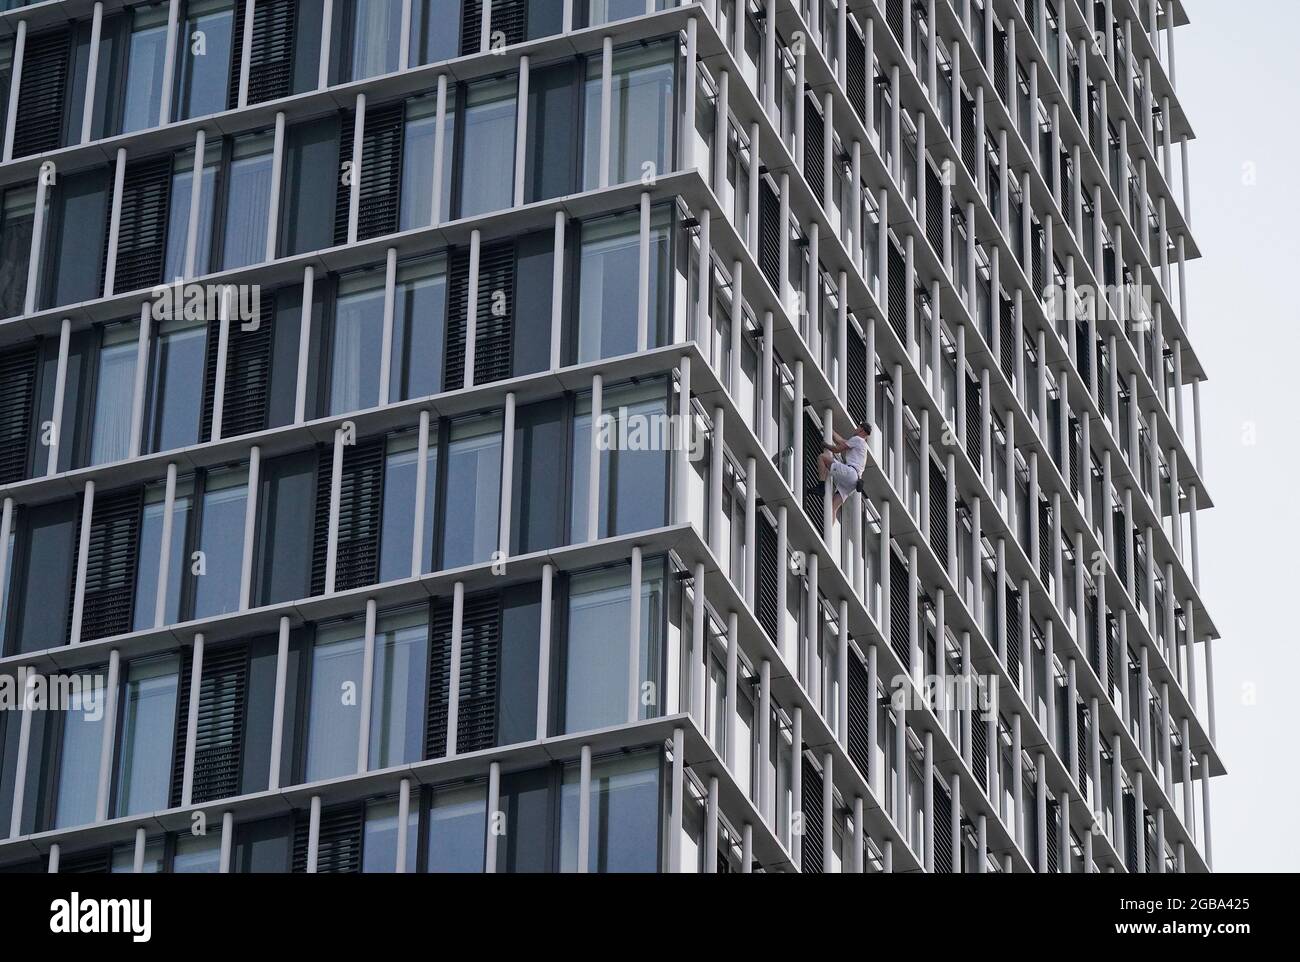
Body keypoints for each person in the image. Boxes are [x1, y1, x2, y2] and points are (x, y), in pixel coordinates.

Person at [810, 420, 873, 520]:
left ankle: (821, 487)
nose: (856, 429)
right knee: (832, 508)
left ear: (862, 430)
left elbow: (836, 449)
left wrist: (825, 445)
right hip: (853, 482)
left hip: (850, 473)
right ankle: (829, 534)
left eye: (858, 427)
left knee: (822, 458)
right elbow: (842, 441)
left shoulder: (857, 439)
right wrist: (829, 428)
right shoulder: (861, 444)